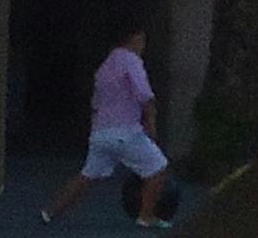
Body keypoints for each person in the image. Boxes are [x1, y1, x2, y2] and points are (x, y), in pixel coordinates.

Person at [42, 17, 172, 228]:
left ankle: (50, 212)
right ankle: (146, 215)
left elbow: (96, 104)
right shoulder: (131, 61)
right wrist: (151, 126)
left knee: (87, 176)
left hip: (101, 133)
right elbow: (145, 96)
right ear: (135, 38)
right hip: (126, 132)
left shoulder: (104, 67)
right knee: (158, 168)